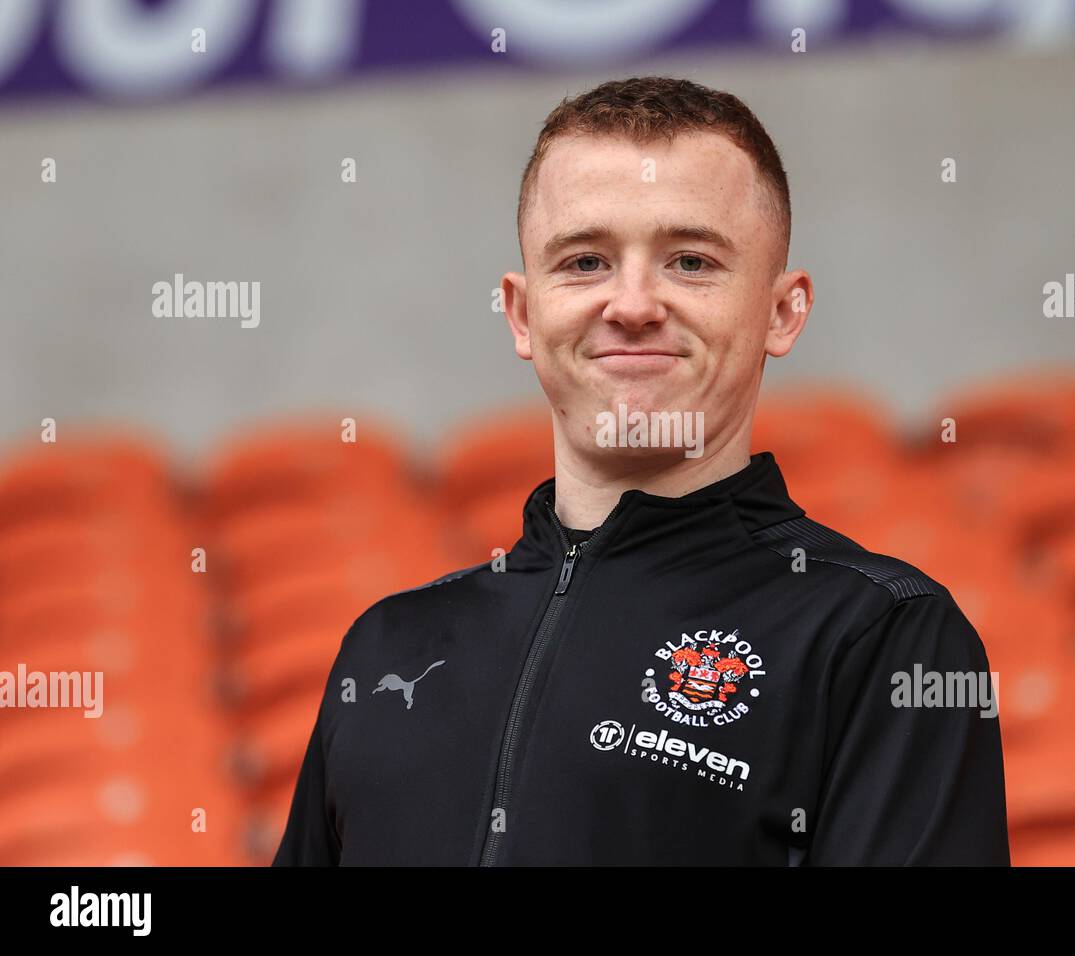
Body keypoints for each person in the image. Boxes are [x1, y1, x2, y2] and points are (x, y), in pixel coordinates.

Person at [273, 76, 1010, 866]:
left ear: (782, 311)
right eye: (585, 261)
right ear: (521, 314)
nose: (631, 305)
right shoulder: (389, 646)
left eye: (690, 261)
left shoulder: (882, 637)